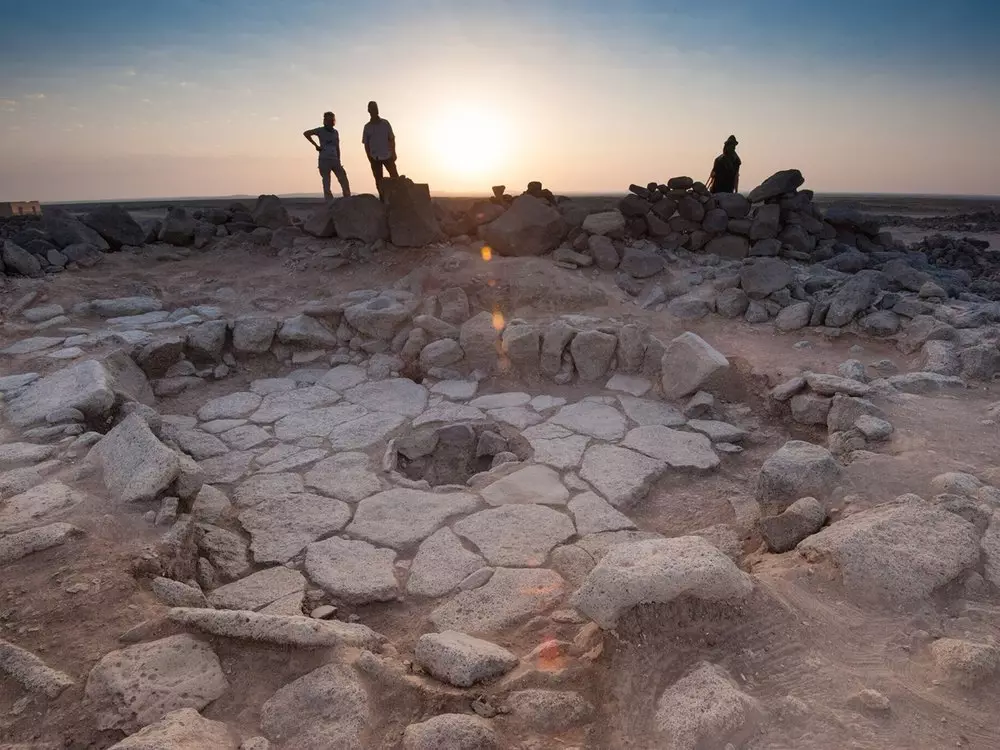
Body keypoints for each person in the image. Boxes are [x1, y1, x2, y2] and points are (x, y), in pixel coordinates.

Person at [303, 112, 350, 200]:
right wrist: (316, 145)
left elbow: (337, 146)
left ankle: (347, 199)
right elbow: (306, 133)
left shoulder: (335, 132)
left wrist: (339, 159)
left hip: (335, 159)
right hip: (324, 159)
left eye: (332, 120)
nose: (331, 122)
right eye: (329, 120)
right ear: (325, 121)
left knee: (343, 178)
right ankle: (329, 202)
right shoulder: (320, 130)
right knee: (326, 182)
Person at [362, 101, 398, 199]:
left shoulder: (385, 123)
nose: (375, 110)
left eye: (376, 108)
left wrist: (394, 152)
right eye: (372, 108)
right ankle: (383, 199)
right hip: (375, 157)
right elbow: (366, 144)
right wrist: (369, 157)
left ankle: (398, 197)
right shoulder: (367, 127)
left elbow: (391, 138)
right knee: (378, 180)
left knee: (395, 177)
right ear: (369, 111)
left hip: (388, 155)